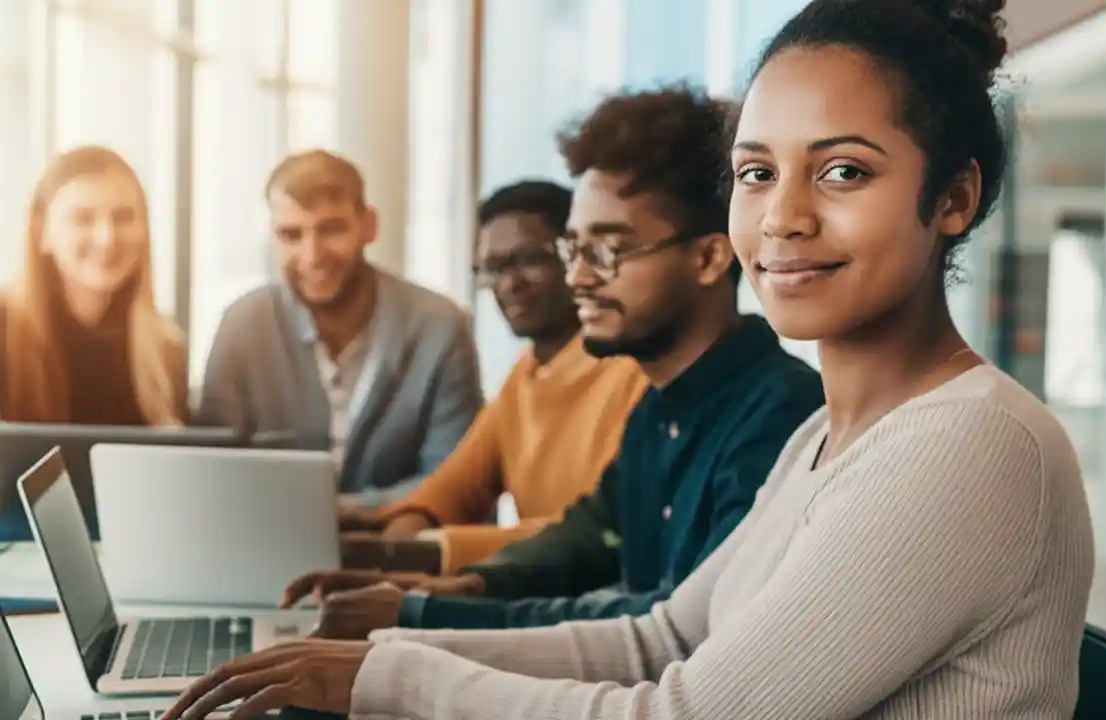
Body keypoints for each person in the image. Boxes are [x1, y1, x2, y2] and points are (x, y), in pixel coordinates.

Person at [164, 1, 1095, 716]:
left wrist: (392, 675)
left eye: (843, 171)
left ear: (953, 198)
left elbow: (685, 710)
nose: (783, 217)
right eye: (758, 172)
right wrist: (382, 651)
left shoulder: (970, 445)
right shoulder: (830, 432)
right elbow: (664, 637)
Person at [278, 86, 824, 635]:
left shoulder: (779, 416)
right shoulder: (661, 409)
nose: (579, 278)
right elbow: (590, 536)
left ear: (708, 257)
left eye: (607, 251)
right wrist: (452, 586)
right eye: (573, 250)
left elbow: (681, 628)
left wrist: (424, 610)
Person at [341, 180, 650, 574]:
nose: (509, 283)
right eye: (493, 267)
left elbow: (594, 534)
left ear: (575, 257)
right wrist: (407, 533)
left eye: (528, 260)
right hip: (526, 588)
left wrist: (424, 548)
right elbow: (449, 492)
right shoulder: (524, 374)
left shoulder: (631, 372)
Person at [196, 150, 483, 505]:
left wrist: (338, 513)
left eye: (331, 229)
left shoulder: (439, 327)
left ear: (369, 225)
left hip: (400, 552)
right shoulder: (242, 326)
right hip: (269, 547)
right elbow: (212, 474)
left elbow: (456, 481)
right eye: (290, 235)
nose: (312, 255)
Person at [0, 146, 187, 541]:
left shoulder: (164, 347)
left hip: (127, 548)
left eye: (124, 218)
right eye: (82, 218)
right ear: (42, 233)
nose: (106, 238)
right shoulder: (5, 328)